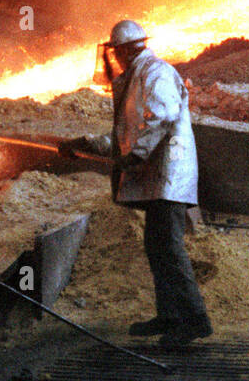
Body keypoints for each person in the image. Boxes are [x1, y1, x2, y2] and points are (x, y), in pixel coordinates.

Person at [60, 19, 212, 347]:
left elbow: (163, 116)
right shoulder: (137, 78)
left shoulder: (155, 72)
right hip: (158, 178)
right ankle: (169, 315)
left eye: (116, 51)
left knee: (169, 249)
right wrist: (84, 144)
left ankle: (194, 320)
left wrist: (137, 155)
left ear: (125, 50)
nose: (113, 57)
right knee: (157, 247)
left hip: (168, 176)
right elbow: (126, 135)